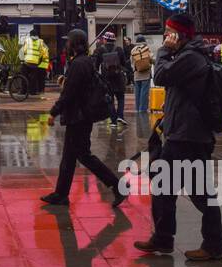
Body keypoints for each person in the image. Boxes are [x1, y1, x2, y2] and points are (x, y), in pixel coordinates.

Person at [133, 13, 222, 261]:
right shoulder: (186, 56)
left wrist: (163, 51)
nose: (165, 36)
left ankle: (214, 244)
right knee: (163, 188)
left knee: (201, 193)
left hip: (191, 138)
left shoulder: (192, 58)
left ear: (179, 35)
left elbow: (161, 76)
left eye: (168, 32)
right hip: (178, 134)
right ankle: (163, 238)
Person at [40, 28, 129, 209]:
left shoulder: (78, 64)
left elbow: (69, 94)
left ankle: (117, 186)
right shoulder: (84, 62)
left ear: (75, 44)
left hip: (78, 118)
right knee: (69, 158)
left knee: (84, 156)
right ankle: (61, 194)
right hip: (81, 116)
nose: (66, 45)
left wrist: (53, 112)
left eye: (68, 41)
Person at [97, 31, 127, 126]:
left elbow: (96, 65)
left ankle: (113, 121)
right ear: (114, 40)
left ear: (105, 40)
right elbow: (124, 63)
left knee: (109, 100)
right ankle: (120, 117)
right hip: (118, 78)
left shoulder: (100, 50)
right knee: (121, 98)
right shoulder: (119, 49)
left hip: (107, 79)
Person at [130, 34, 154, 116]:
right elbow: (152, 59)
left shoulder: (133, 50)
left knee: (137, 93)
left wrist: (135, 69)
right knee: (144, 93)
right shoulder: (146, 49)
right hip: (146, 74)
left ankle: (137, 108)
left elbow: (132, 63)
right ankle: (143, 109)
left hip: (137, 75)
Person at [21, 31, 46, 96]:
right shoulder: (41, 41)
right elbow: (42, 53)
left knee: (24, 76)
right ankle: (33, 92)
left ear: (30, 34)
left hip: (27, 62)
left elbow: (24, 50)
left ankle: (23, 91)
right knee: (33, 78)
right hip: (35, 63)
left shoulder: (27, 40)